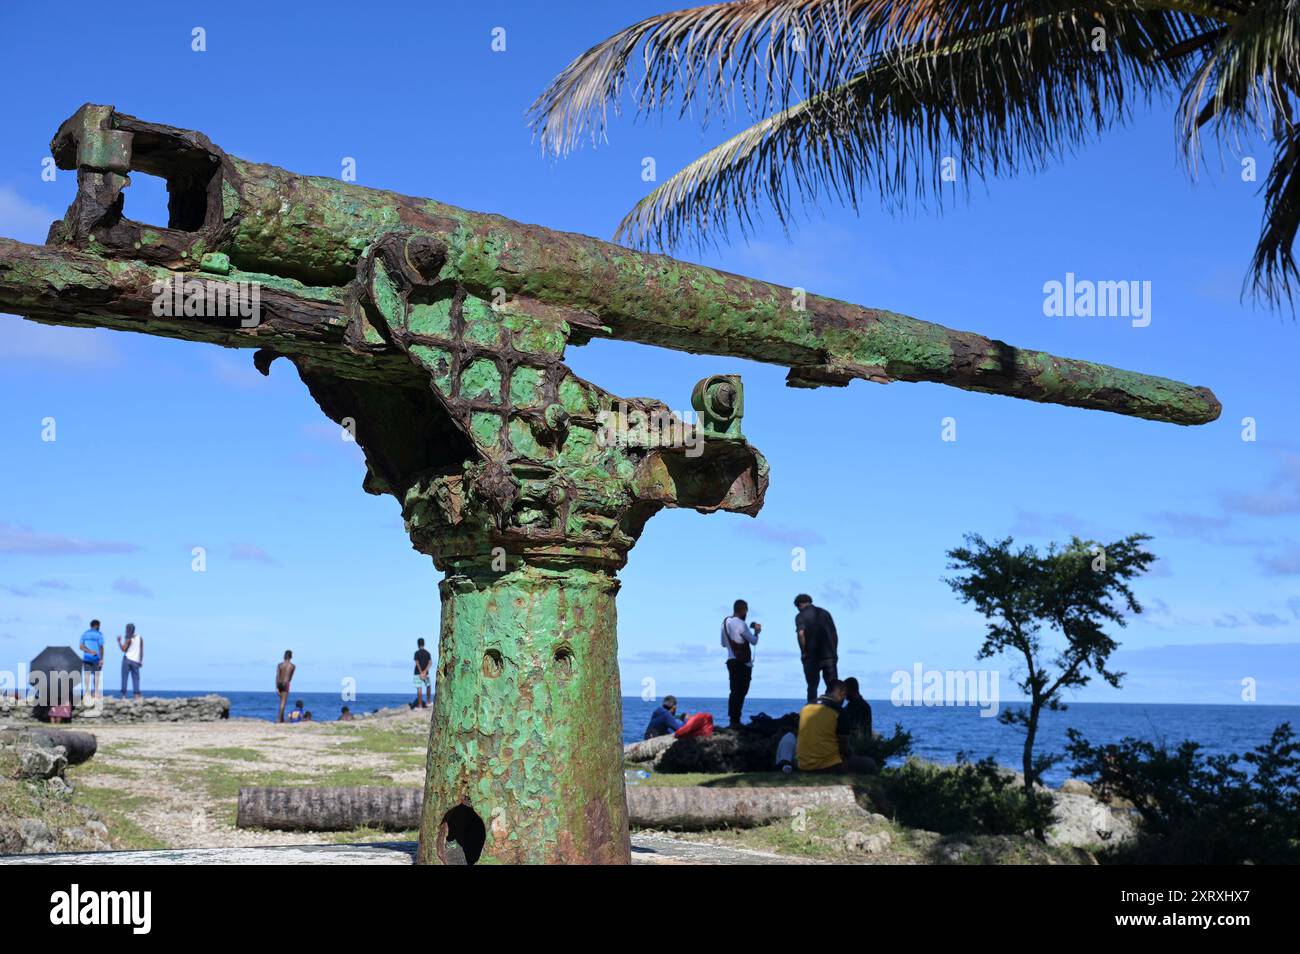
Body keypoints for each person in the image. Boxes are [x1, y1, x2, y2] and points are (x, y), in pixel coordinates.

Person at [795, 680, 875, 774]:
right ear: (841, 694)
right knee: (870, 763)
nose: (844, 699)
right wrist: (851, 753)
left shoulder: (806, 707)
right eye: (844, 696)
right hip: (826, 766)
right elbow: (844, 748)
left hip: (803, 765)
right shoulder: (838, 711)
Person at [720, 599, 761, 728]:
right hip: (743, 663)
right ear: (743, 610)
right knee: (742, 691)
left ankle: (733, 719)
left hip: (731, 661)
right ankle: (736, 720)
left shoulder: (725, 623)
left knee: (734, 691)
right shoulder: (742, 625)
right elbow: (753, 641)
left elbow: (723, 643)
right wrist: (757, 632)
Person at [794, 594, 839, 703]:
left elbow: (801, 634)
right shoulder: (825, 613)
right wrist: (834, 652)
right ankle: (834, 711)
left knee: (812, 687)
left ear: (800, 605)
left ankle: (811, 713)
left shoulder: (800, 616)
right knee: (833, 687)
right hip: (829, 656)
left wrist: (803, 652)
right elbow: (835, 635)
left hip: (811, 657)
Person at [643, 695, 714, 739]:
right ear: (674, 707)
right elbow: (681, 730)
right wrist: (686, 719)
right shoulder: (666, 715)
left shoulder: (658, 712)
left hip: (648, 737)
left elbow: (667, 728)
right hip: (653, 740)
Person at [79, 619, 105, 702]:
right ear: (96, 625)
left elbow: (81, 647)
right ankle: (96, 693)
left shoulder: (84, 634)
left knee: (87, 676)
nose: (99, 627)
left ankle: (87, 693)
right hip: (96, 658)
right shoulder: (99, 634)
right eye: (99, 626)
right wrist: (101, 659)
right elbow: (101, 647)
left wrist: (89, 651)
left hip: (86, 657)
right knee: (96, 675)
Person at [117, 623, 144, 699]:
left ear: (128, 630)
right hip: (136, 661)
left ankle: (123, 695)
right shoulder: (140, 638)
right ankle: (136, 694)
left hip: (127, 659)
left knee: (124, 677)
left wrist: (119, 641)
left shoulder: (129, 639)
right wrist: (141, 660)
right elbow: (141, 650)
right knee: (136, 678)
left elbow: (123, 649)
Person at [412, 637, 432, 709]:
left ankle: (420, 706)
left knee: (419, 688)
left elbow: (417, 663)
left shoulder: (417, 653)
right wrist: (425, 671)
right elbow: (430, 663)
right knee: (428, 686)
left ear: (418, 644)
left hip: (418, 673)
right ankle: (428, 702)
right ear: (424, 643)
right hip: (426, 673)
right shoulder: (427, 653)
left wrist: (421, 672)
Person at [275, 651, 296, 723]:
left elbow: (277, 676)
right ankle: (279, 719)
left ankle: (281, 719)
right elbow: (290, 677)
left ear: (284, 656)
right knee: (283, 702)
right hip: (286, 683)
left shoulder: (280, 665)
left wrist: (277, 687)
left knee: (281, 702)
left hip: (279, 683)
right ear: (291, 657)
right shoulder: (292, 666)